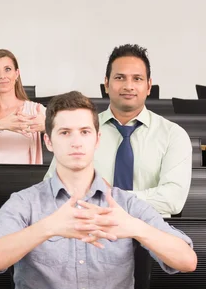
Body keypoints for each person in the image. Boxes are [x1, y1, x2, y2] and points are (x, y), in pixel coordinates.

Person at [0, 91, 196, 289]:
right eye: (64, 133)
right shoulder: (24, 202)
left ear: (97, 139)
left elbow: (187, 261)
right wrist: (46, 228)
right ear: (49, 142)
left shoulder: (125, 204)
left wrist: (137, 228)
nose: (76, 142)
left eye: (84, 132)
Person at [45, 44, 190, 217]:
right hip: (87, 230)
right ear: (106, 84)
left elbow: (172, 201)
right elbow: (51, 187)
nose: (128, 86)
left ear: (149, 86)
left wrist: (108, 197)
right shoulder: (78, 129)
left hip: (150, 233)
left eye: (137, 79)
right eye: (120, 78)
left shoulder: (173, 135)